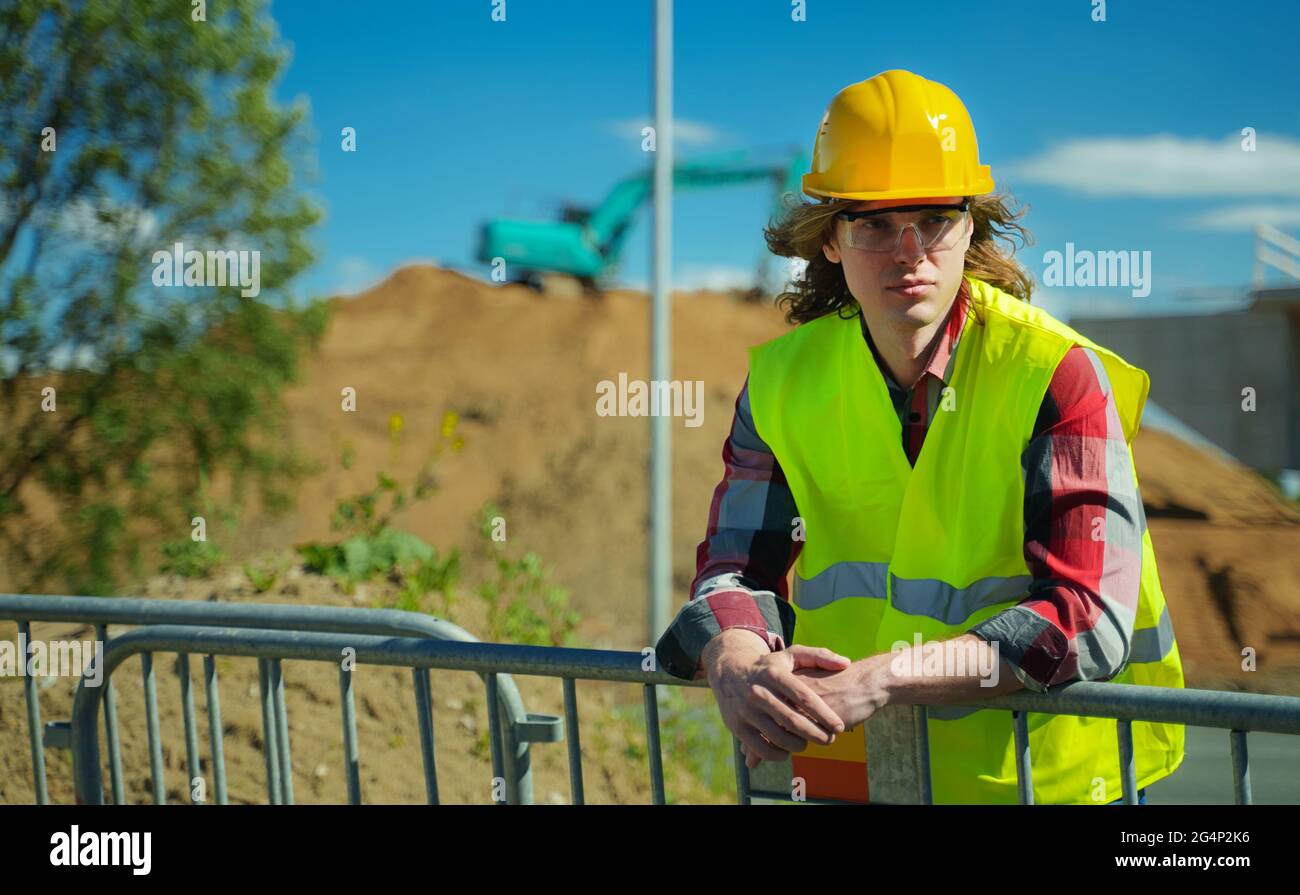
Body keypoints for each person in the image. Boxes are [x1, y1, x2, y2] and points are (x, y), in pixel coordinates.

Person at [653, 69, 1184, 804]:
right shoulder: (783, 383)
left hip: (1043, 782)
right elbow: (736, 568)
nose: (909, 252)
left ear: (971, 227)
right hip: (860, 774)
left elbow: (1087, 617)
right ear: (830, 241)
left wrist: (883, 677)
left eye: (934, 218)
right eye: (874, 223)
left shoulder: (1055, 375)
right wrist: (733, 652)